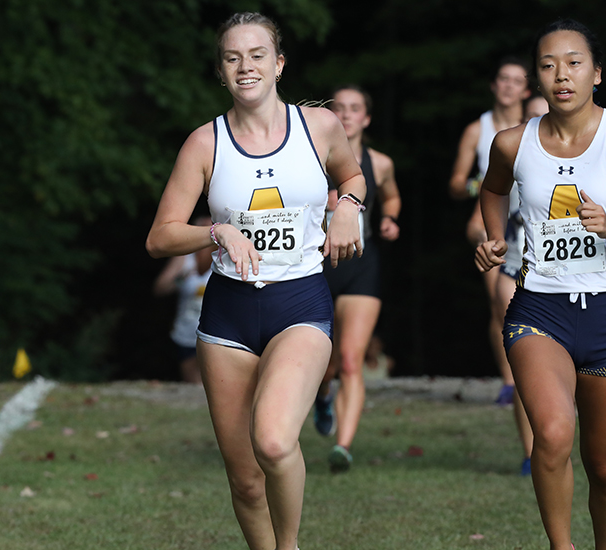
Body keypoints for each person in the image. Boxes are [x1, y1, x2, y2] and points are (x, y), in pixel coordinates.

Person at [146, 12, 365, 550]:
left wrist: (349, 206)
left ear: (279, 63)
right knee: (245, 480)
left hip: (300, 304)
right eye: (232, 57)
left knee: (272, 440)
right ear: (222, 72)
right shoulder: (204, 143)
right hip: (227, 317)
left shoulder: (319, 127)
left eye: (257, 54)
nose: (246, 66)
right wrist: (216, 232)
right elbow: (160, 237)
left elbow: (352, 174)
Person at [475, 19, 606, 550]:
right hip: (538, 311)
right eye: (548, 65)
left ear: (596, 73)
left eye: (573, 63)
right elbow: (492, 191)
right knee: (551, 435)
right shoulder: (511, 143)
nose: (561, 75)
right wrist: (494, 238)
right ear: (536, 78)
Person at [448, 56, 534, 474]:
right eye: (502, 79)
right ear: (493, 85)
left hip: (532, 216)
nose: (508, 87)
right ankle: (508, 377)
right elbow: (456, 182)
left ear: (526, 90)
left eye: (516, 81)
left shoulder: (537, 121)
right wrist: (483, 185)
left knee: (510, 304)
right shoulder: (477, 130)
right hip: (493, 215)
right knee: (502, 304)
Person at [312, 85, 401, 473]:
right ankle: (322, 394)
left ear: (366, 118)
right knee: (324, 365)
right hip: (316, 268)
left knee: (351, 359)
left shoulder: (379, 163)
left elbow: (392, 197)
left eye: (355, 109)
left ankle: (343, 446)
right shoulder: (310, 158)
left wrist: (389, 218)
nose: (346, 115)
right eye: (339, 108)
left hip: (362, 267)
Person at [152, 216, 214, 384]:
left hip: (215, 332)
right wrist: (180, 279)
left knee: (213, 384)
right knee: (192, 387)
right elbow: (160, 288)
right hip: (186, 331)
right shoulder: (184, 259)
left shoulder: (227, 259)